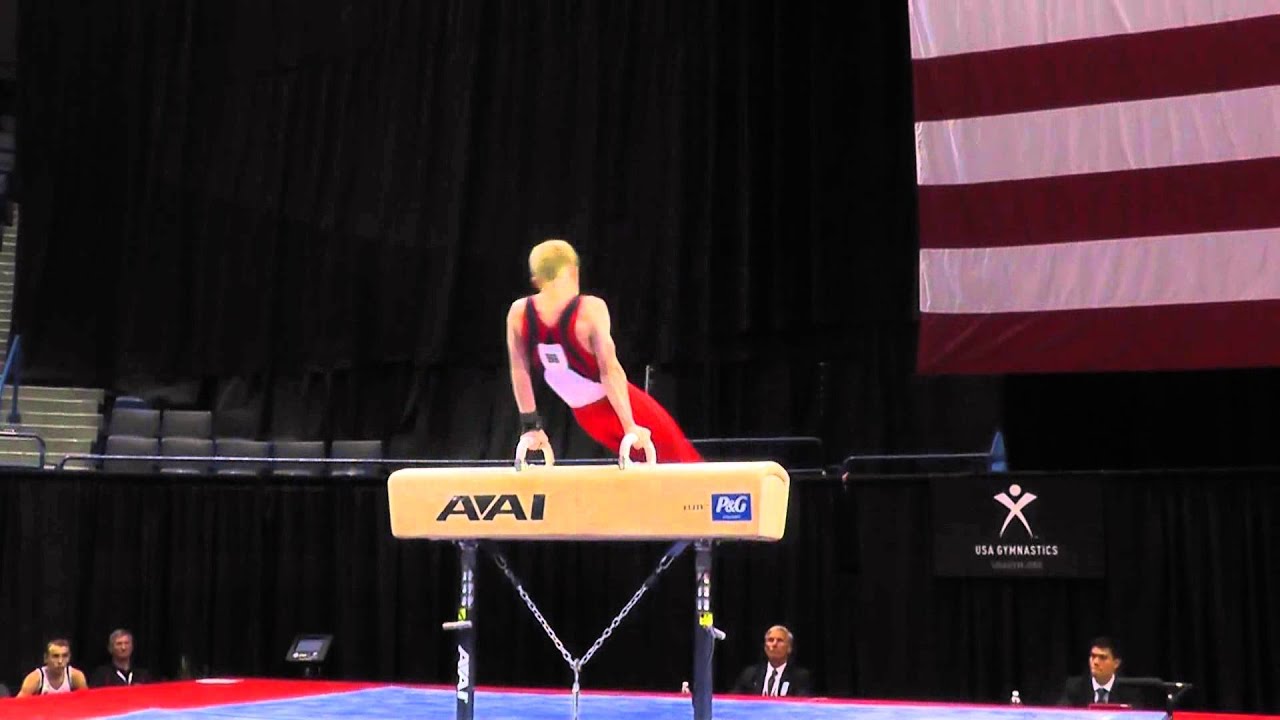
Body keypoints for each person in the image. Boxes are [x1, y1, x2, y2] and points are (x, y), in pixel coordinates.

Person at [506, 239, 702, 463]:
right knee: (683, 462)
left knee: (647, 468)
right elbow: (610, 371)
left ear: (536, 280)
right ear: (573, 272)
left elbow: (520, 370)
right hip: (620, 405)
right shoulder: (590, 309)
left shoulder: (518, 313)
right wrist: (629, 424)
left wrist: (531, 426)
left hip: (586, 418)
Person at [1057, 636, 1143, 707]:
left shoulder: (1128, 691)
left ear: (1116, 663)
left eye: (1102, 657)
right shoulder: (1074, 687)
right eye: (1093, 656)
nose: (1096, 662)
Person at [730, 625, 812, 697]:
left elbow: (800, 706)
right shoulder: (750, 674)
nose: (774, 644)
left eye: (779, 640)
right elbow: (735, 700)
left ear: (789, 648)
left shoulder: (799, 677)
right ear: (765, 647)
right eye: (770, 640)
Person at [16, 638, 89, 696]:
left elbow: (86, 702)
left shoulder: (76, 676)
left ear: (69, 657)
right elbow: (18, 705)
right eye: (55, 656)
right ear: (46, 658)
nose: (60, 661)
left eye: (64, 656)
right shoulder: (35, 679)